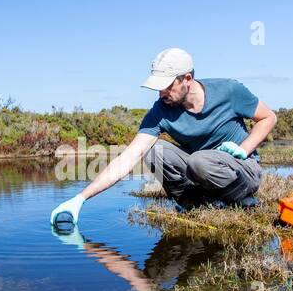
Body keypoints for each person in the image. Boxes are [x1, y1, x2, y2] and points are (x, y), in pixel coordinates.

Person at [49, 47, 277, 226]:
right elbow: (127, 158)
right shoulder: (160, 111)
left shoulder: (229, 90)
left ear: (187, 79)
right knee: (154, 151)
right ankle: (193, 204)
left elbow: (268, 118)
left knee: (199, 161)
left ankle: (242, 201)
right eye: (158, 87)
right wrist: (80, 198)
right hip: (202, 167)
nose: (161, 93)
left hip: (242, 168)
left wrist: (245, 148)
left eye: (167, 86)